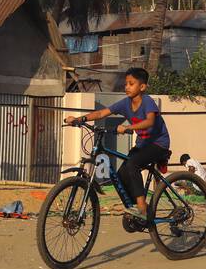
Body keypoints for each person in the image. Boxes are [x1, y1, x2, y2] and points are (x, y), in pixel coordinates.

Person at [64, 67, 170, 223]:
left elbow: (150, 121)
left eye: (131, 83)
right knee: (120, 174)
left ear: (142, 87)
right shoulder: (125, 103)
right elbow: (101, 113)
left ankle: (142, 207)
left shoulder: (147, 101)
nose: (127, 87)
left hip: (158, 144)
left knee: (132, 164)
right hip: (142, 144)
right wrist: (80, 119)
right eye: (126, 83)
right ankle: (135, 208)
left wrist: (127, 127)